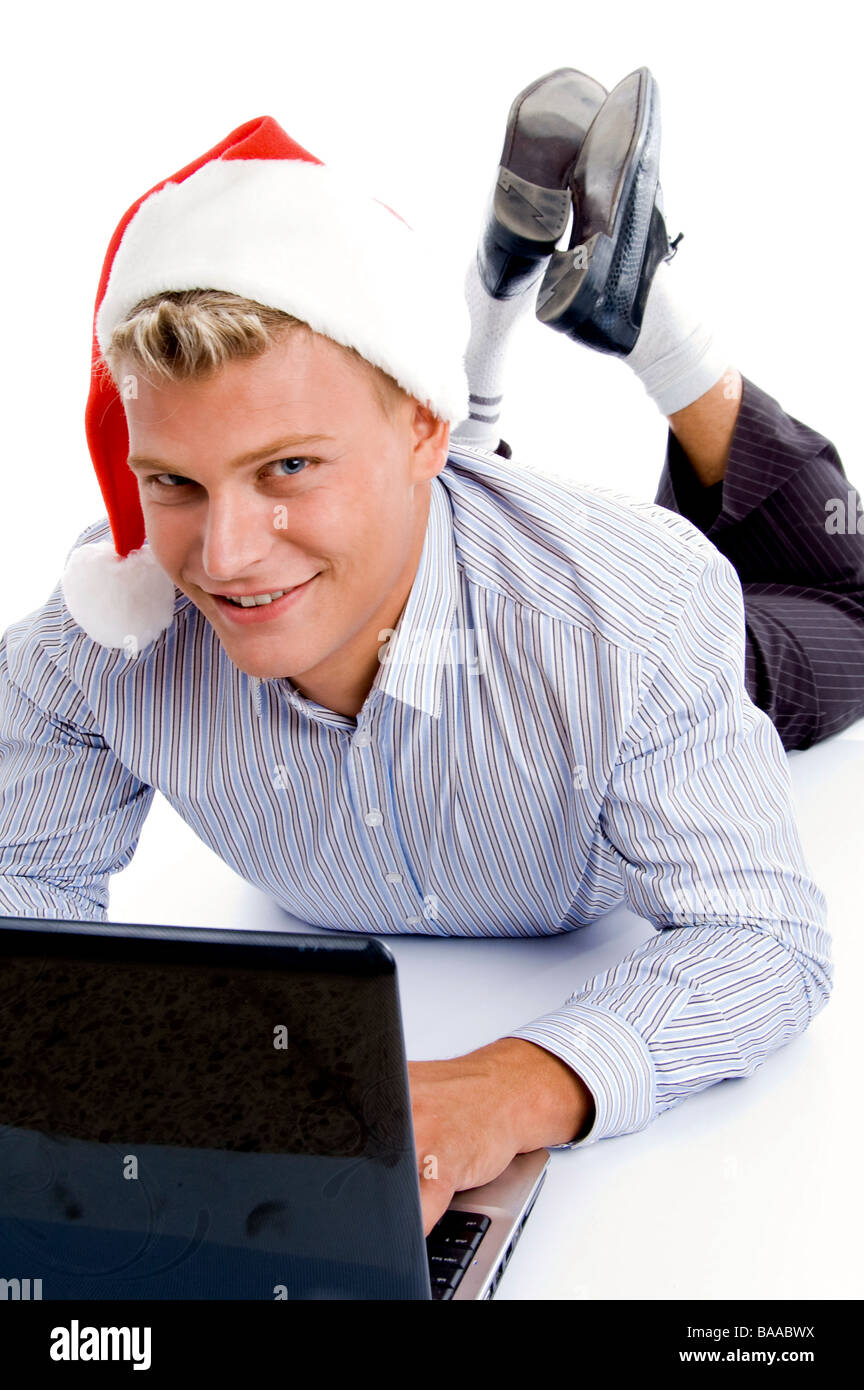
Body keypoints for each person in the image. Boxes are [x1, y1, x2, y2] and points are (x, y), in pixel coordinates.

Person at [0, 70, 854, 1238]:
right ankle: (485, 325)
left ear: (420, 432)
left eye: (287, 466)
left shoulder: (636, 620)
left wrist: (518, 1082)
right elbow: (20, 902)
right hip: (451, 535)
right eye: (176, 482)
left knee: (841, 595)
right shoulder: (94, 647)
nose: (231, 557)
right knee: (367, 547)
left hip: (675, 643)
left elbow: (765, 940)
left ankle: (657, 328)